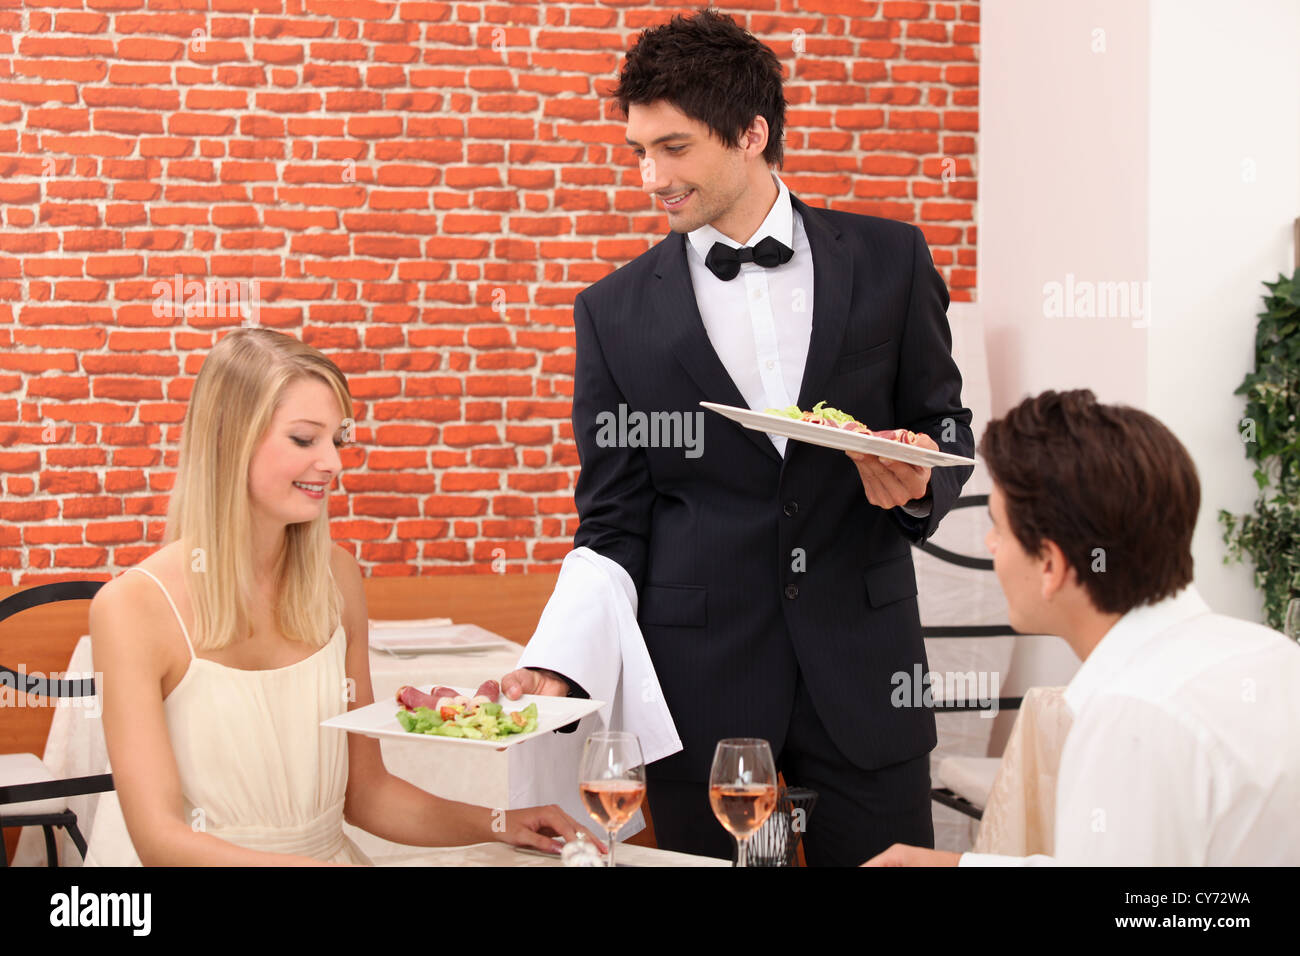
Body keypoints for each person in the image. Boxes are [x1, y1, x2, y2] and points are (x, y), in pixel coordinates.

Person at [502, 10, 974, 865]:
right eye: (639, 151)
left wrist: (919, 486)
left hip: (868, 683)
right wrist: (557, 662)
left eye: (674, 148)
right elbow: (611, 524)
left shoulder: (891, 261)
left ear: (753, 132)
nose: (652, 177)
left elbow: (946, 426)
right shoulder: (611, 314)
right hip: (704, 696)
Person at [90, 329, 595, 865]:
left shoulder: (336, 578)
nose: (333, 463)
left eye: (338, 440)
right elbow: (161, 842)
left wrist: (500, 822)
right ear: (226, 439)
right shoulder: (132, 608)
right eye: (306, 440)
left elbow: (369, 796)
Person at [866, 390, 1300, 866]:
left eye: (999, 529)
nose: (992, 545)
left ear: (1050, 564)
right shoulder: (1271, 653)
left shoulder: (1131, 714)